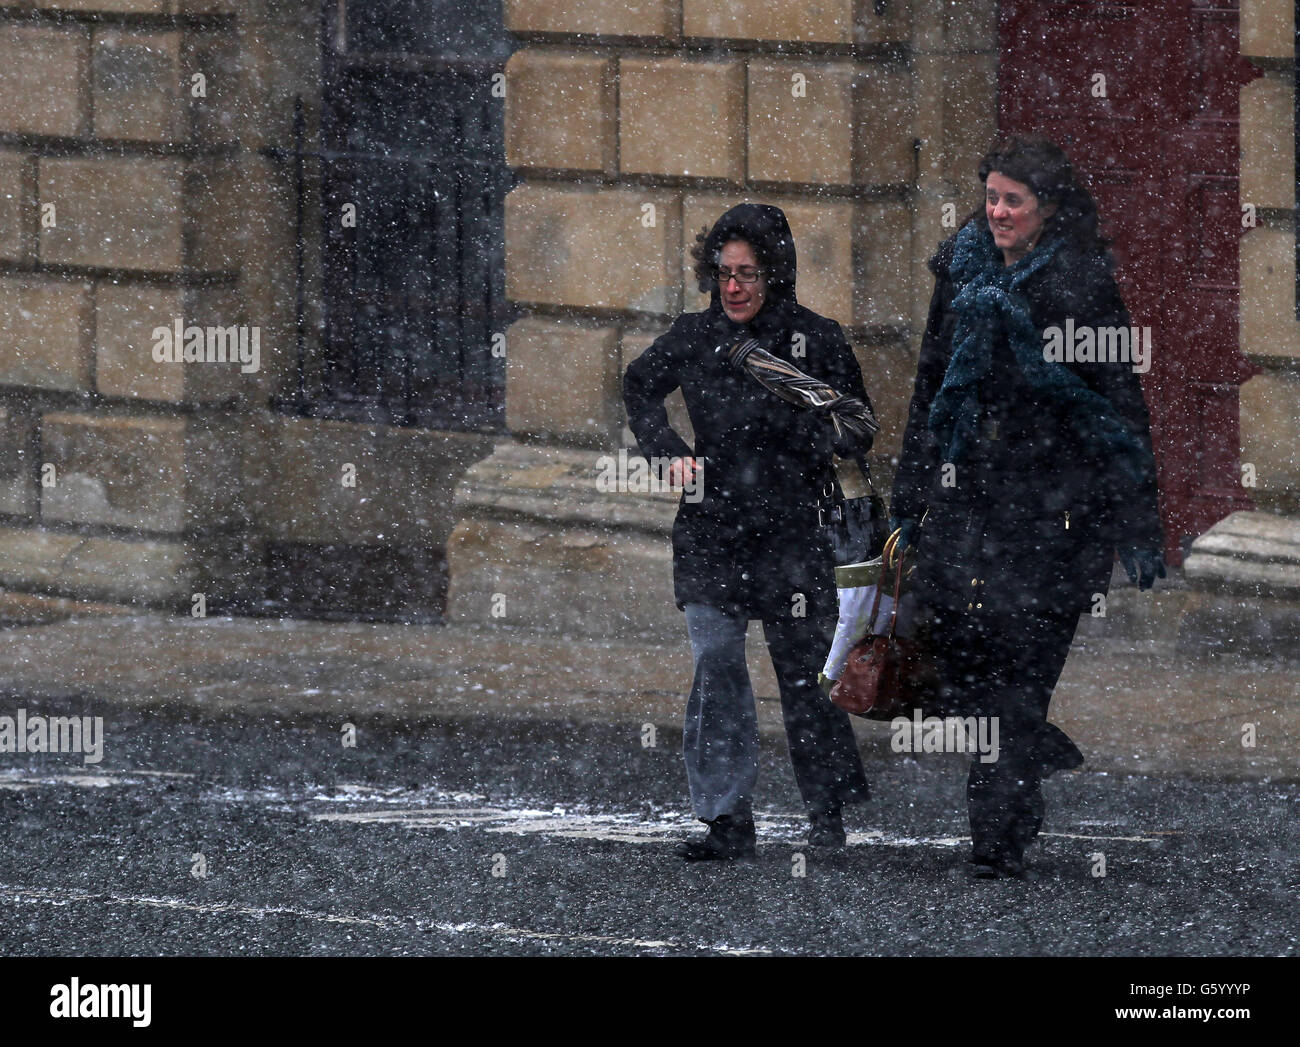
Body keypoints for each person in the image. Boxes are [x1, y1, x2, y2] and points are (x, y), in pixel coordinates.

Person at [890, 134, 1166, 879]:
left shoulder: (1081, 283)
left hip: (1054, 519)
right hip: (967, 515)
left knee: (1022, 674)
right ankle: (1024, 755)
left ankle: (997, 835)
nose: (999, 210)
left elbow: (1118, 405)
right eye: (992, 197)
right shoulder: (960, 270)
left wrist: (1137, 521)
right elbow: (928, 388)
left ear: (1047, 207)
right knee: (969, 675)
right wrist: (909, 497)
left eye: (1014, 199)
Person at [623, 203, 873, 860]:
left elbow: (859, 425)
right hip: (711, 528)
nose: (733, 287)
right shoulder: (695, 334)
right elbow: (639, 384)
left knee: (803, 676)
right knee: (716, 663)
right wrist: (665, 448)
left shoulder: (815, 338)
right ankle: (726, 818)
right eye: (724, 272)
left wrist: (805, 432)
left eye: (748, 274)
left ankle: (826, 815)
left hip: (792, 531)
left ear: (775, 274)